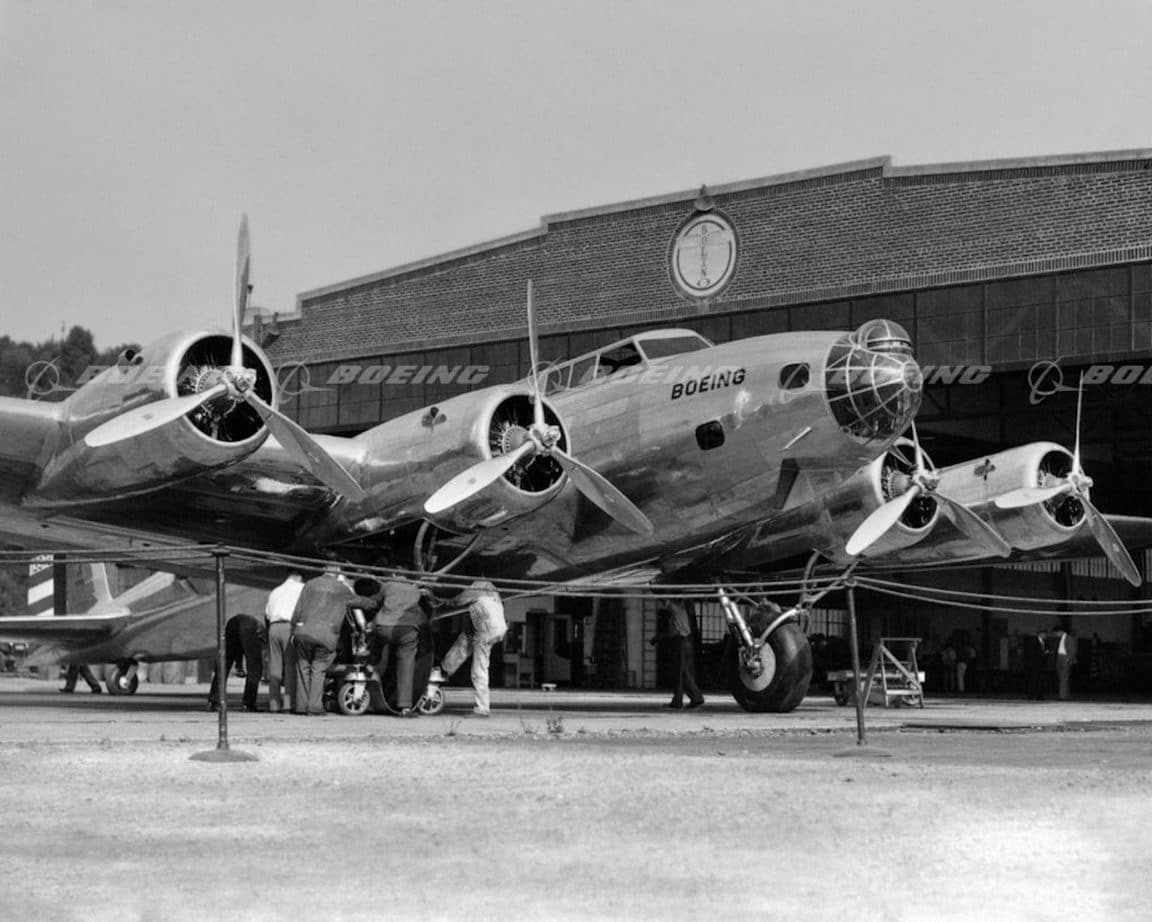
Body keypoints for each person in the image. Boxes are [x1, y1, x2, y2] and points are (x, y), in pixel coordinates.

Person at [290, 565, 379, 716]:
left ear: (323, 569)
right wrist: (375, 602)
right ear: (337, 572)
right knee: (318, 669)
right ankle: (314, 707)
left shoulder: (310, 584)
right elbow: (358, 602)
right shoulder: (341, 589)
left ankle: (301, 706)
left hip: (303, 632)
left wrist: (294, 629)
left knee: (303, 667)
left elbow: (298, 610)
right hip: (325, 635)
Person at [435, 579, 507, 717]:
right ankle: (445, 669)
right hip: (495, 628)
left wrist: (441, 601)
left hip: (486, 631)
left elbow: (457, 601)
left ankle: (482, 709)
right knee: (466, 639)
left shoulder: (476, 587)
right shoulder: (491, 589)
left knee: (478, 670)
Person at [372, 574, 428, 717]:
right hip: (406, 630)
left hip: (384, 627)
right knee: (406, 665)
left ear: (394, 575)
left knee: (378, 650)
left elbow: (377, 602)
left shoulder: (388, 585)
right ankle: (405, 707)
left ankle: (373, 678)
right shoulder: (415, 590)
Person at [649, 597, 704, 710]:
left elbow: (673, 632)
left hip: (681, 642)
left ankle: (680, 700)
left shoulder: (676, 609)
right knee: (685, 672)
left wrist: (658, 638)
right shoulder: (683, 611)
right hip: (687, 641)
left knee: (679, 672)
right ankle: (694, 698)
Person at [208, 614, 267, 712]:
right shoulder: (264, 633)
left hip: (232, 623)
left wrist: (239, 665)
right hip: (249, 626)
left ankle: (213, 701)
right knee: (255, 666)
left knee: (224, 663)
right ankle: (248, 704)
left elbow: (239, 647)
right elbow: (256, 650)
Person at [264, 570, 304, 713]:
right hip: (288, 627)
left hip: (273, 628)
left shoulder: (275, 591)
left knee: (274, 668)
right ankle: (288, 705)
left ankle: (273, 705)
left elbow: (267, 614)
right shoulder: (301, 588)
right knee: (289, 668)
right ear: (299, 577)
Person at [1053, 625, 1074, 700]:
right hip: (1059, 658)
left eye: (1056, 633)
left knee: (1064, 677)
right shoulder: (1060, 639)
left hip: (1065, 657)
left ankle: (1062, 696)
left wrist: (1068, 658)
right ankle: (1065, 695)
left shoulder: (1069, 638)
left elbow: (1072, 650)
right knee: (1061, 677)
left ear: (1060, 631)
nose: (1056, 635)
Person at [1025, 630, 1047, 701]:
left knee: (1041, 680)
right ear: (1040, 634)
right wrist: (1043, 652)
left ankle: (1039, 696)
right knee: (1033, 680)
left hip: (1042, 664)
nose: (1045, 636)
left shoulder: (1045, 642)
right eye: (1044, 634)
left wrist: (1046, 652)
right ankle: (1030, 696)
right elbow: (1033, 652)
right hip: (1034, 664)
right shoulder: (1034, 641)